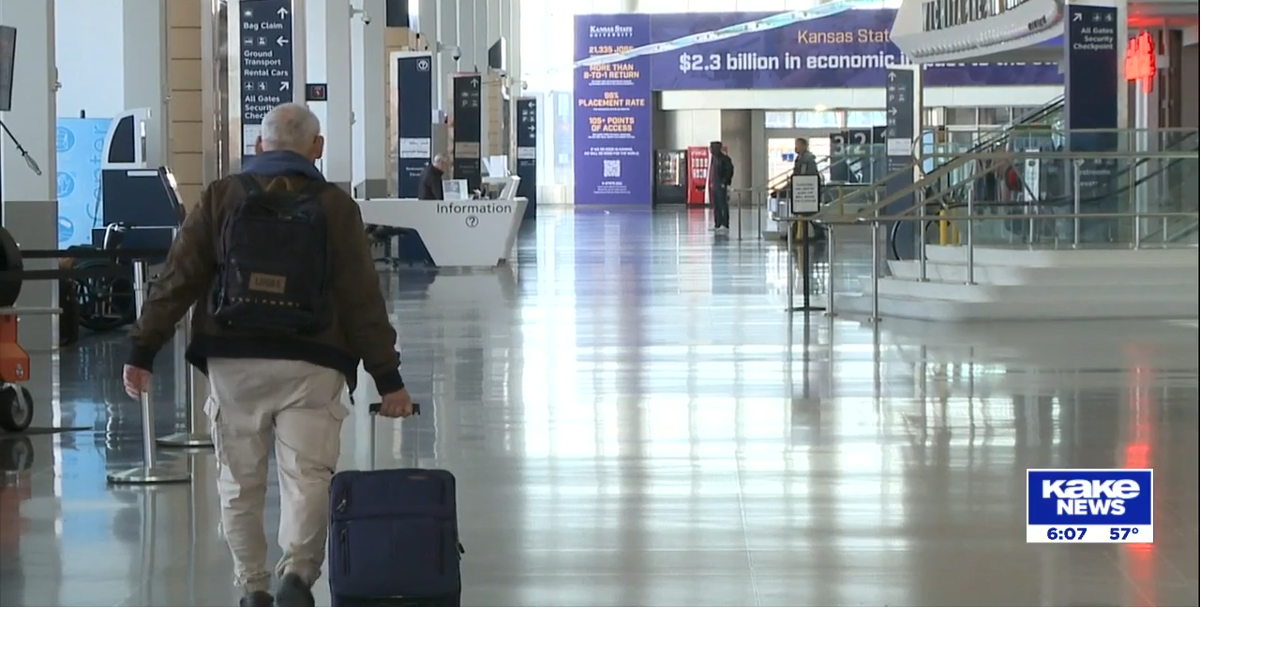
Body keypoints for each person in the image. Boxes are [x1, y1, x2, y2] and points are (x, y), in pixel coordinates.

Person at [122, 102, 415, 608]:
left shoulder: (223, 195)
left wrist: (143, 348)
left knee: (239, 480)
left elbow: (179, 276)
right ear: (317, 147)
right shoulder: (336, 206)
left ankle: (252, 586)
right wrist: (388, 378)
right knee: (308, 476)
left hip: (233, 358)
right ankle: (298, 574)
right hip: (314, 358)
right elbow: (361, 297)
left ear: (259, 145)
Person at [709, 141, 734, 230]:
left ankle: (725, 224)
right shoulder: (714, 159)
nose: (710, 150)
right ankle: (718, 223)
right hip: (715, 184)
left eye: (711, 148)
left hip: (721, 185)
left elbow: (729, 171)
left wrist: (724, 182)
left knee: (722, 204)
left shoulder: (725, 159)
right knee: (716, 205)